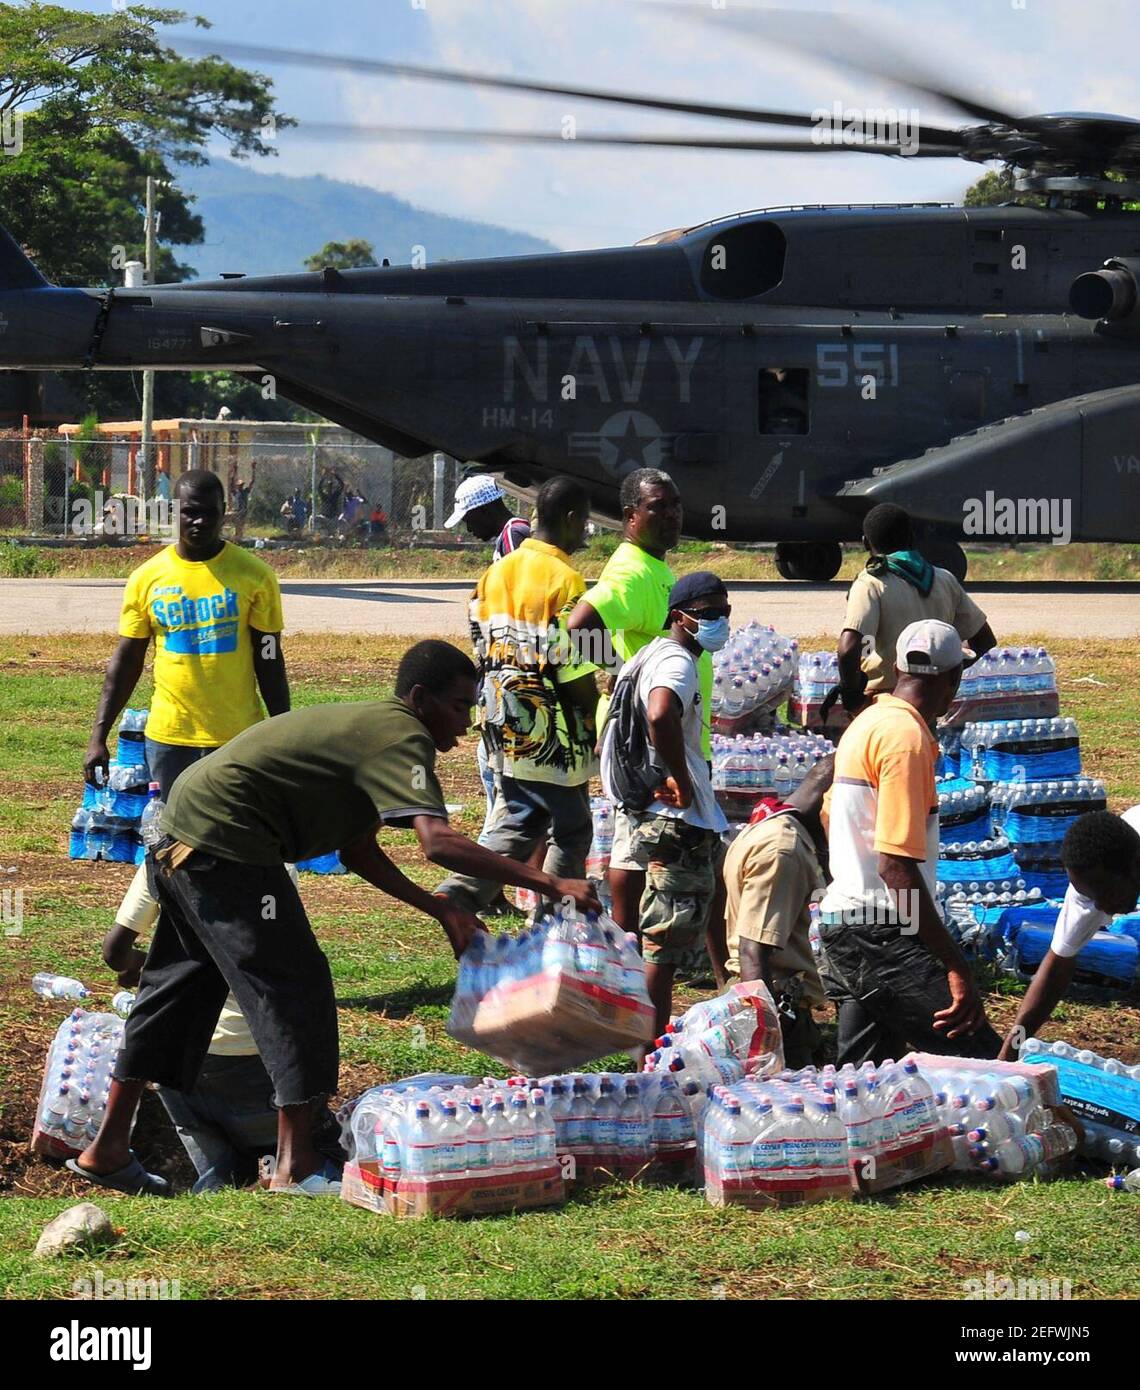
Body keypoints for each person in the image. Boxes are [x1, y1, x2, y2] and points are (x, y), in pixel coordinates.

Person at [70, 640, 600, 1198]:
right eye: (459, 706)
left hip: (188, 832)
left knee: (179, 986)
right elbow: (438, 844)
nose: (465, 725)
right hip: (228, 841)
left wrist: (441, 907)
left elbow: (357, 851)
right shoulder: (403, 735)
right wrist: (551, 881)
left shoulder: (376, 733)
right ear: (420, 698)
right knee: (295, 987)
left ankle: (106, 1150)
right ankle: (294, 1168)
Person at [817, 619, 1002, 1065]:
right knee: (985, 1063)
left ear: (899, 668)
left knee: (867, 1079)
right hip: (882, 930)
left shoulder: (868, 723)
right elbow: (895, 868)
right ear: (953, 679)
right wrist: (954, 964)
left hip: (846, 921)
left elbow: (828, 817)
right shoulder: (906, 739)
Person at [101, 868, 344, 1193]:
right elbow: (271, 958)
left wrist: (149, 966)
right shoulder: (268, 863)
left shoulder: (162, 854)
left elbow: (114, 951)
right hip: (244, 1063)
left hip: (173, 1064)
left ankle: (215, 1199)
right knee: (322, 1150)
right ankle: (278, 1173)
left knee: (223, 1173)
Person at [436, 478, 598, 915]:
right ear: (570, 520)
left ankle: (456, 895)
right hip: (552, 730)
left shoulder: (494, 573)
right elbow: (576, 666)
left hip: (500, 721)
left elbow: (480, 642)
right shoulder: (567, 580)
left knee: (521, 817)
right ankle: (554, 926)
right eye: (584, 522)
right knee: (572, 827)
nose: (586, 532)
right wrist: (593, 713)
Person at [567, 469, 713, 941]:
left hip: (663, 732)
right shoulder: (631, 571)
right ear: (630, 516)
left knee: (638, 846)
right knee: (638, 846)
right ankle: (632, 944)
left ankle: (635, 942)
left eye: (674, 505)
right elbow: (580, 623)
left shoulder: (653, 564)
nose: (671, 515)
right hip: (651, 739)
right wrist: (617, 673)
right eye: (657, 507)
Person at [601, 571, 729, 1037]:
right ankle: (649, 1055)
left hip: (642, 808)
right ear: (680, 617)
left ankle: (719, 987)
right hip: (673, 822)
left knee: (648, 935)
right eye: (708, 614)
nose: (720, 621)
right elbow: (659, 713)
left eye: (724, 611)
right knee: (665, 948)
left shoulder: (648, 655)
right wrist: (678, 774)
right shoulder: (677, 662)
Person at [720, 756, 835, 1068]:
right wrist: (767, 1041)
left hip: (770, 1000)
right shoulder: (782, 850)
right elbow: (752, 950)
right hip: (776, 1007)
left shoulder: (768, 826)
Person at [998, 808, 1140, 1059]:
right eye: (1091, 897)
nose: (1102, 908)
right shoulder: (1090, 887)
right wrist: (1008, 1055)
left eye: (1107, 893)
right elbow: (1056, 967)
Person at [836, 502, 996, 714]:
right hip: (930, 701)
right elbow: (984, 639)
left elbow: (848, 649)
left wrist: (851, 695)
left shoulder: (871, 583)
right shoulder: (944, 579)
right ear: (912, 538)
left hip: (883, 704)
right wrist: (943, 670)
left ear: (866, 543)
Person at [445, 474, 530, 558]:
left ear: (484, 511)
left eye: (470, 521)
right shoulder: (511, 533)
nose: (469, 529)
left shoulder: (512, 534)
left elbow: (517, 571)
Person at [227, 459, 257, 544]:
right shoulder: (236, 492)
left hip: (242, 511)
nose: (240, 486)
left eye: (241, 485)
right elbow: (231, 483)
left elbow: (252, 482)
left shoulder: (245, 492)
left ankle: (238, 539)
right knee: (236, 525)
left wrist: (253, 470)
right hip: (236, 511)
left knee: (240, 526)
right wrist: (234, 470)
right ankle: (236, 539)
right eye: (239, 485)